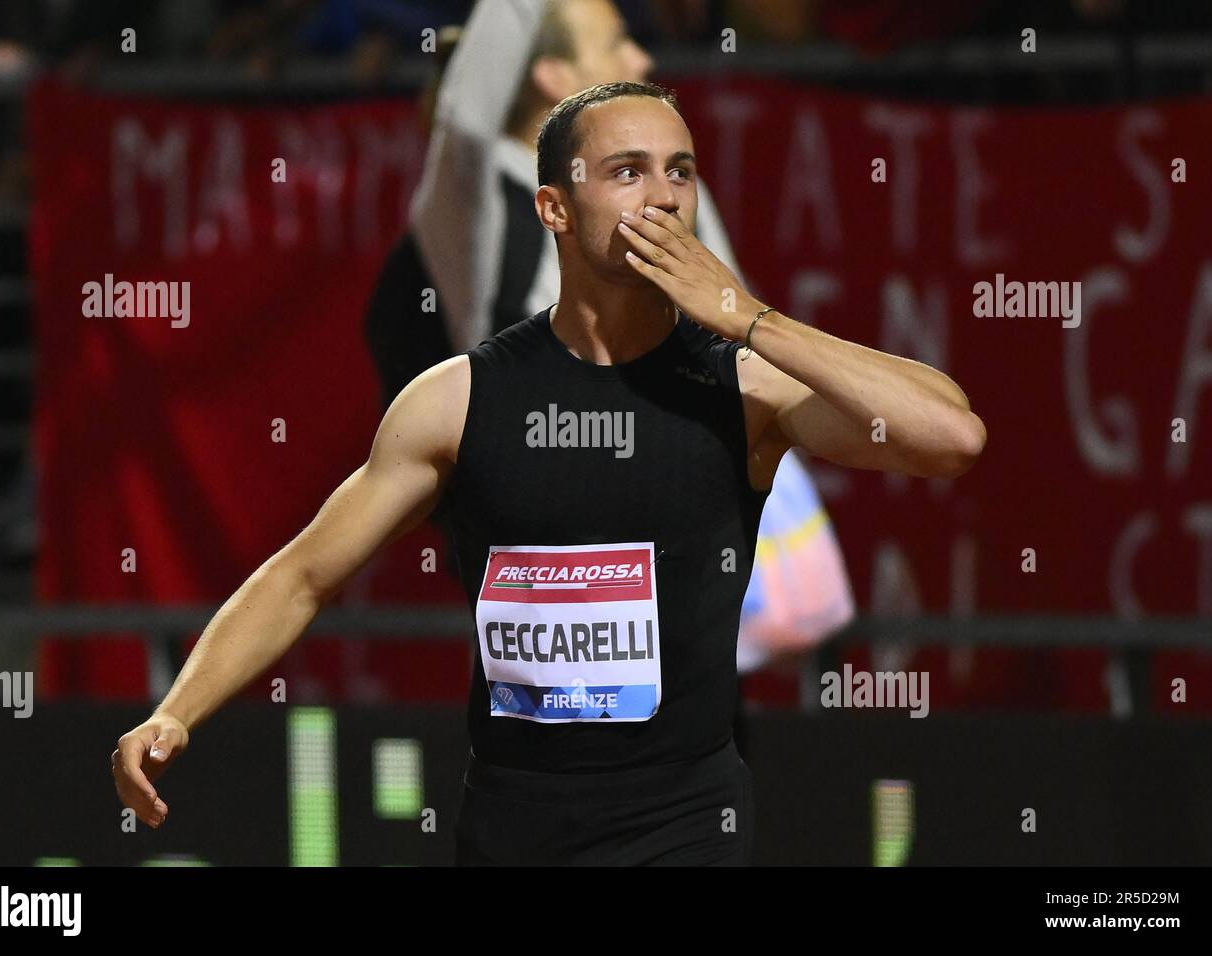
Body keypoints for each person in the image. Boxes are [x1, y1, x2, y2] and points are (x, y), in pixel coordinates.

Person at [113, 80, 985, 865]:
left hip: (685, 821)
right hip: (512, 820)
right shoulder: (458, 401)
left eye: (681, 171)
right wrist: (175, 711)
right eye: (627, 171)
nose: (664, 198)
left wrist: (750, 316)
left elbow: (950, 437)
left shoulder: (745, 387)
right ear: (554, 208)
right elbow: (303, 575)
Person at [365, 0, 856, 737]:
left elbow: (737, 333)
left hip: (682, 554)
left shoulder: (671, 199)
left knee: (697, 771)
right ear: (551, 73)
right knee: (559, 777)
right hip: (554, 576)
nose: (641, 60)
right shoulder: (474, 204)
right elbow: (465, 123)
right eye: (616, 42)